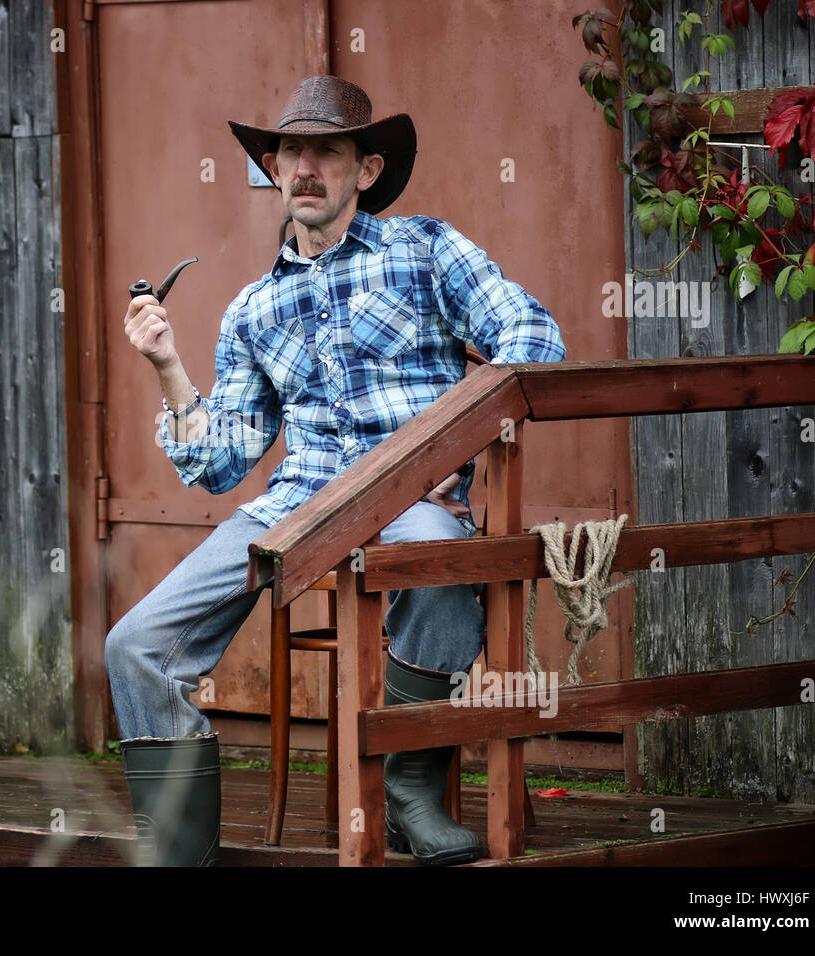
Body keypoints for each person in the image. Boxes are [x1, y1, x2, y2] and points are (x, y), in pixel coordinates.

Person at [106, 75, 566, 866]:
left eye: (328, 151)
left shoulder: (424, 250)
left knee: (437, 558)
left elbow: (534, 337)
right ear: (275, 168)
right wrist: (168, 367)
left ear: (368, 170)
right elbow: (220, 464)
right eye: (292, 151)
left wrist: (446, 450)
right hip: (298, 506)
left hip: (409, 499)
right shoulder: (254, 307)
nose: (306, 167)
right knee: (135, 643)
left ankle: (410, 795)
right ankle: (178, 852)